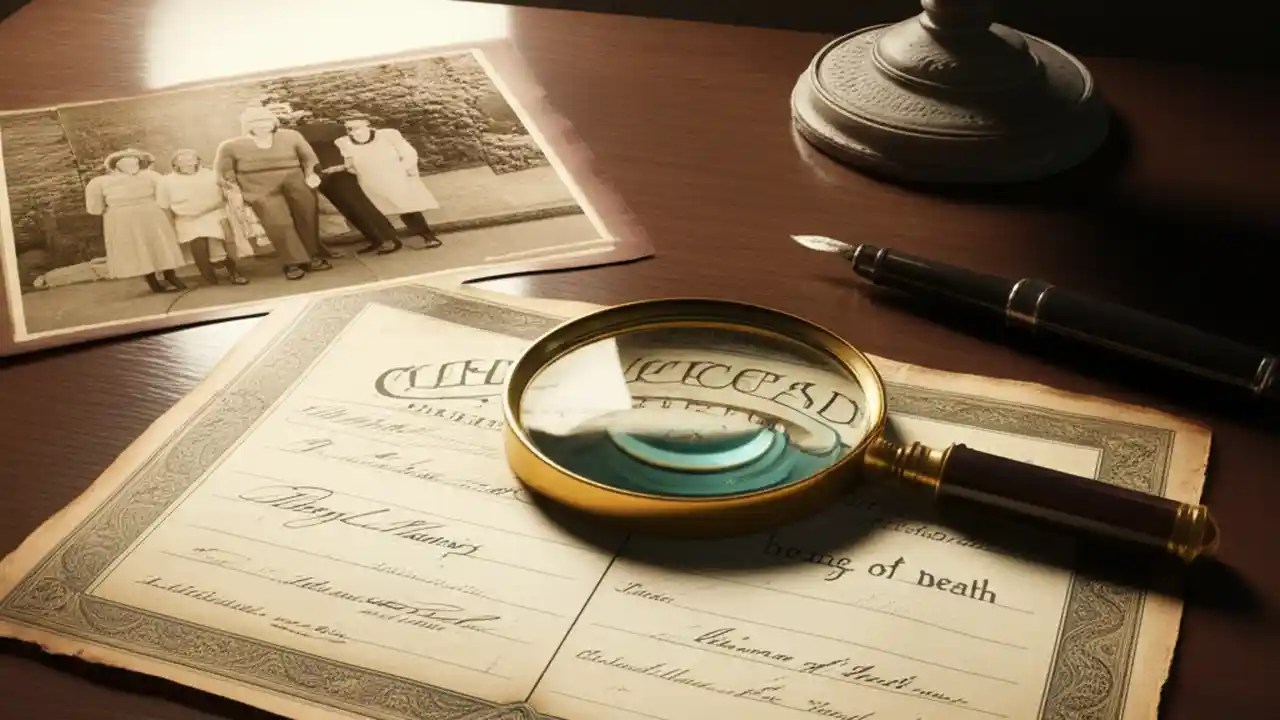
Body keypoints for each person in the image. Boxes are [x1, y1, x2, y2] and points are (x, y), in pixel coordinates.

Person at [213, 105, 330, 281]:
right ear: (247, 125)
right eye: (256, 122)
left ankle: (313, 257)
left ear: (273, 121)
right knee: (279, 223)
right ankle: (293, 263)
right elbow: (223, 173)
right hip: (258, 188)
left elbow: (309, 158)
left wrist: (310, 173)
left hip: (295, 182)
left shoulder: (291, 136)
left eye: (266, 120)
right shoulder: (230, 146)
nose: (263, 125)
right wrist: (235, 191)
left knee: (307, 218)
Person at [279, 103, 401, 255]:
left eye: (307, 117)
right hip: (322, 175)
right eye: (302, 118)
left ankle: (388, 238)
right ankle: (376, 239)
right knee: (349, 209)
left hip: (340, 173)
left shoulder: (330, 128)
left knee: (360, 207)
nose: (305, 120)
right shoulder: (303, 132)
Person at [84, 148, 188, 293]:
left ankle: (170, 275)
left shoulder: (151, 176)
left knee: (158, 244)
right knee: (138, 247)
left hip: (150, 213)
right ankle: (152, 281)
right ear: (115, 165)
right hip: (122, 218)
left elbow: (165, 195)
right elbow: (95, 208)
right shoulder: (100, 183)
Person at [334, 113, 442, 248]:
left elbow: (409, 154)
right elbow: (349, 163)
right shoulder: (344, 142)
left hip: (395, 178)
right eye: (349, 128)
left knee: (407, 207)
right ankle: (389, 240)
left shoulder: (388, 136)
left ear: (367, 124)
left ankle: (428, 236)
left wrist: (403, 171)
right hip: (369, 182)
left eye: (357, 127)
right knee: (374, 212)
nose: (353, 132)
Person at [157, 148, 250, 285]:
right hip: (186, 218)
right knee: (197, 244)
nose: (187, 163)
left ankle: (233, 272)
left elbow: (226, 195)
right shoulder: (166, 181)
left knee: (217, 243)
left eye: (190, 159)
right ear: (175, 164)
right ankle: (208, 276)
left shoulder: (211, 175)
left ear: (197, 160)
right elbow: (164, 205)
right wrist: (170, 226)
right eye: (181, 160)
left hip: (213, 213)